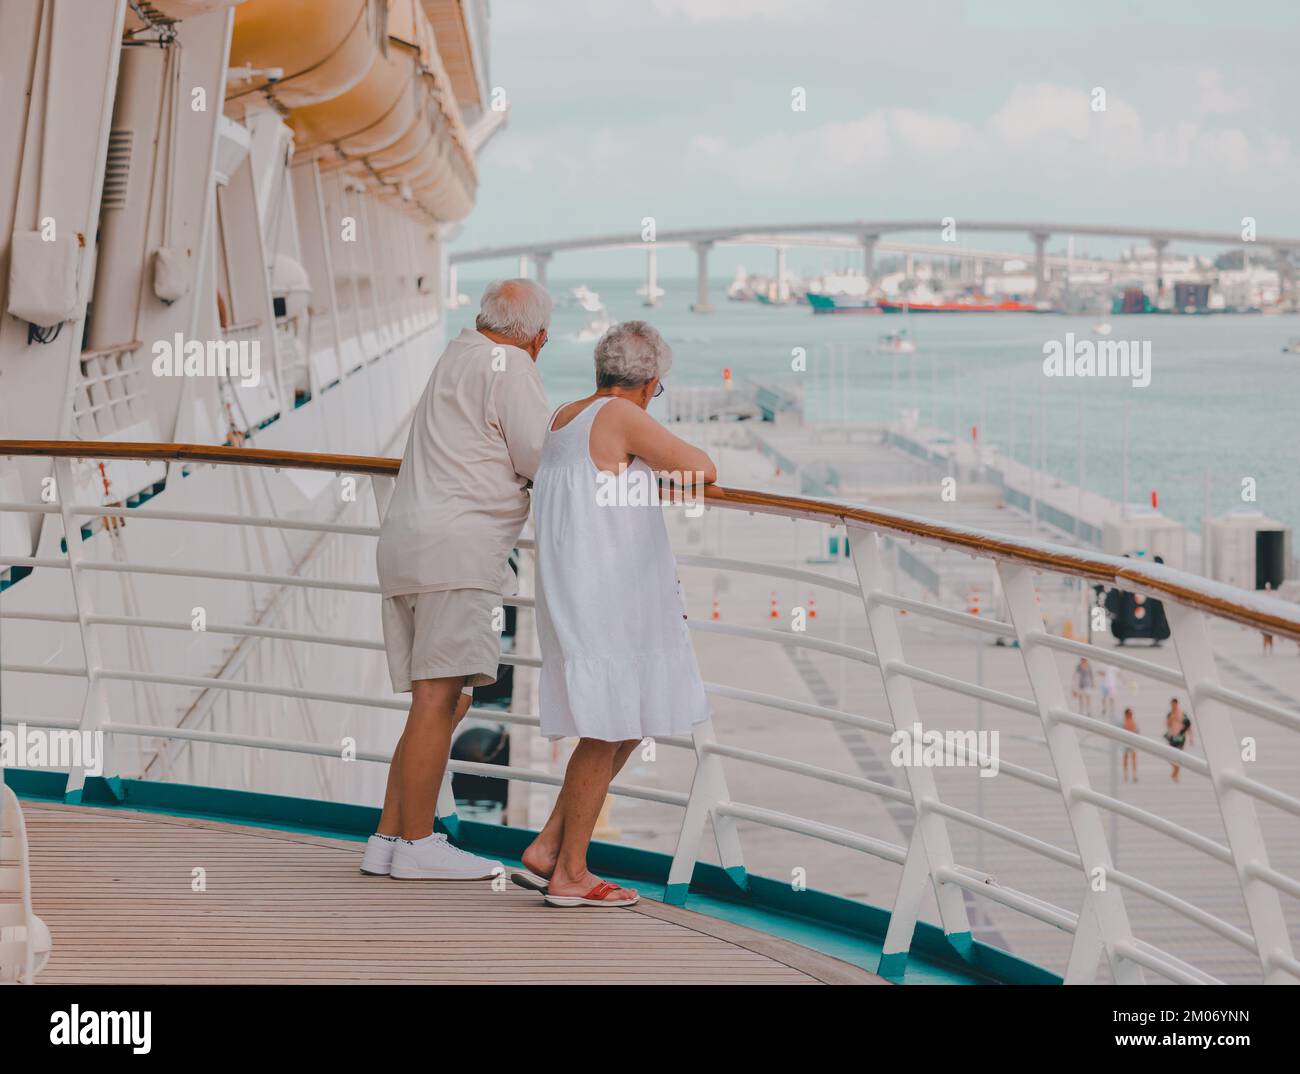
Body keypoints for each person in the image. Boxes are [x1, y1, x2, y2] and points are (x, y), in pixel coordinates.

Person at [512, 321, 715, 907]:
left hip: (584, 589)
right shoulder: (622, 416)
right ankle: (570, 874)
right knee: (606, 731)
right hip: (607, 595)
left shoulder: (564, 417)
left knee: (624, 723)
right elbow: (701, 467)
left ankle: (551, 846)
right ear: (651, 383)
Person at [364, 279, 553, 880]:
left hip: (407, 544)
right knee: (439, 697)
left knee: (443, 697)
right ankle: (419, 843)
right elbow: (539, 456)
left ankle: (389, 838)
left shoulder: (456, 353)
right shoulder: (513, 367)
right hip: (459, 550)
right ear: (538, 337)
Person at [1164, 697, 1193, 782]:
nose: (1173, 706)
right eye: (1171, 705)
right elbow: (1168, 725)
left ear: (1177, 704)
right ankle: (1175, 771)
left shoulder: (1182, 714)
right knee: (1169, 755)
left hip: (1180, 737)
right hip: (1172, 737)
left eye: (1174, 704)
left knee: (1178, 756)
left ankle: (1176, 774)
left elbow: (1188, 726)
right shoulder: (1170, 714)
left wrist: (1191, 737)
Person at [1121, 707, 1139, 782]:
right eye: (1129, 714)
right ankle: (1126, 775)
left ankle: (1133, 775)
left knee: (1132, 759)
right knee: (1127, 759)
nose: (1131, 715)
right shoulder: (1125, 723)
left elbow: (1137, 732)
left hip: (1131, 742)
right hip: (1127, 743)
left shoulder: (1131, 722)